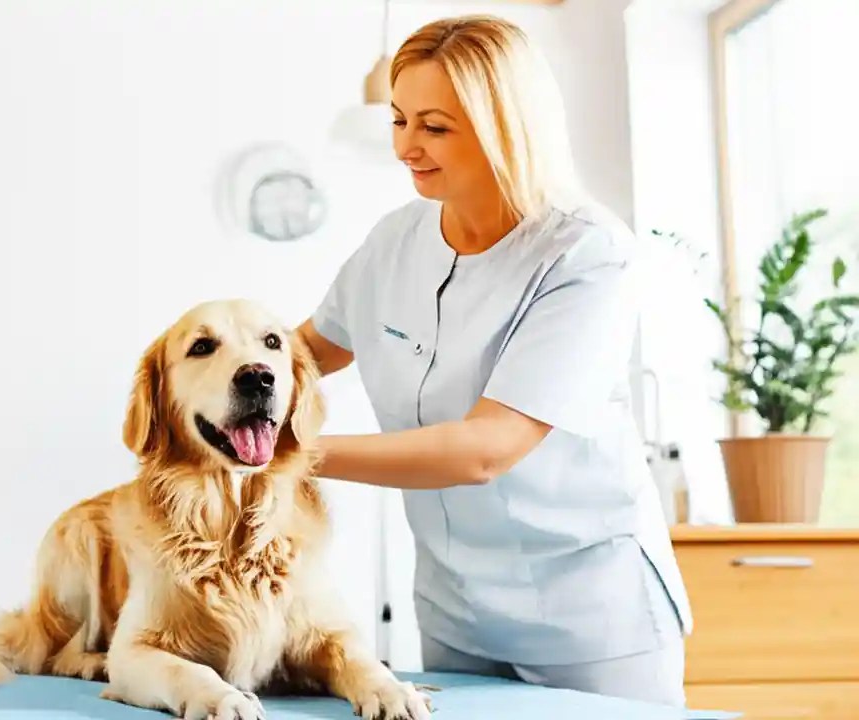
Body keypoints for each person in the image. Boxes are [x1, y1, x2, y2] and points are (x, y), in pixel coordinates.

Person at [295, 15, 692, 707]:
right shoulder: (394, 244)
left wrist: (286, 453)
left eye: (435, 127)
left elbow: (487, 447)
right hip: (457, 616)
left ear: (505, 125)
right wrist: (206, 391)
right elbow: (298, 357)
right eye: (398, 120)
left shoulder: (585, 253)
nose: (406, 148)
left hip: (591, 623)